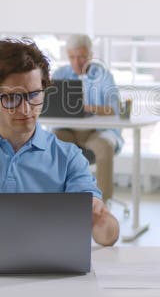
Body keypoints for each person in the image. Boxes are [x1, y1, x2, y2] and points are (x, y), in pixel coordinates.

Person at [0, 37, 120, 249]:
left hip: (43, 273)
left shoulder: (69, 157)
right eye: (12, 98)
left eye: (34, 95)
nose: (25, 109)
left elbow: (106, 235)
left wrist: (102, 223)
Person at [51, 34, 123, 201]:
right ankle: (59, 200)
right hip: (68, 132)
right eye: (72, 57)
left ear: (90, 55)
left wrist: (88, 108)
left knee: (104, 146)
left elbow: (114, 108)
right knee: (53, 142)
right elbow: (49, 105)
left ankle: (101, 204)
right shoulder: (60, 74)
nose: (77, 62)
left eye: (82, 57)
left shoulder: (103, 75)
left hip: (97, 132)